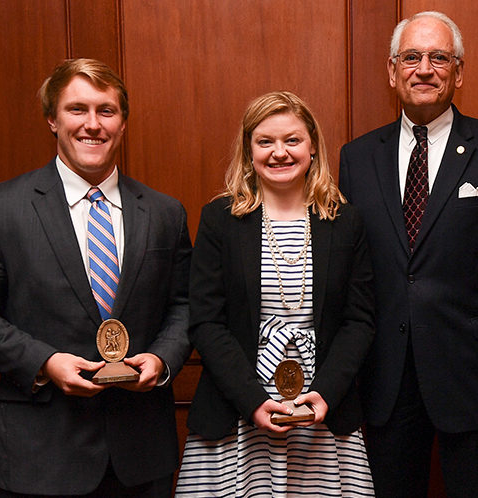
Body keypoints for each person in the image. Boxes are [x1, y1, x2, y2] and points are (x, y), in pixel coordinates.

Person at [0, 58, 192, 497]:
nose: (92, 124)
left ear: (123, 123)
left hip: (141, 454)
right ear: (52, 119)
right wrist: (44, 362)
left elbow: (186, 304)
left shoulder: (165, 212)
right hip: (41, 455)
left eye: (106, 111)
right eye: (77, 109)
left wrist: (163, 358)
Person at [338, 11, 478, 497]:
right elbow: (347, 271)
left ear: (459, 71)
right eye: (412, 57)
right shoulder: (356, 156)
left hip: (476, 381)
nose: (424, 69)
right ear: (392, 71)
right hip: (383, 380)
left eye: (439, 58)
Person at [176, 91, 376, 496]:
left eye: (292, 140)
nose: (279, 152)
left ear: (313, 146)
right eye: (265, 141)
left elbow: (360, 321)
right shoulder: (220, 219)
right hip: (237, 406)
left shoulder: (344, 221)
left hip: (321, 409)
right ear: (249, 150)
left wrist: (325, 393)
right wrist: (251, 400)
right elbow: (206, 322)